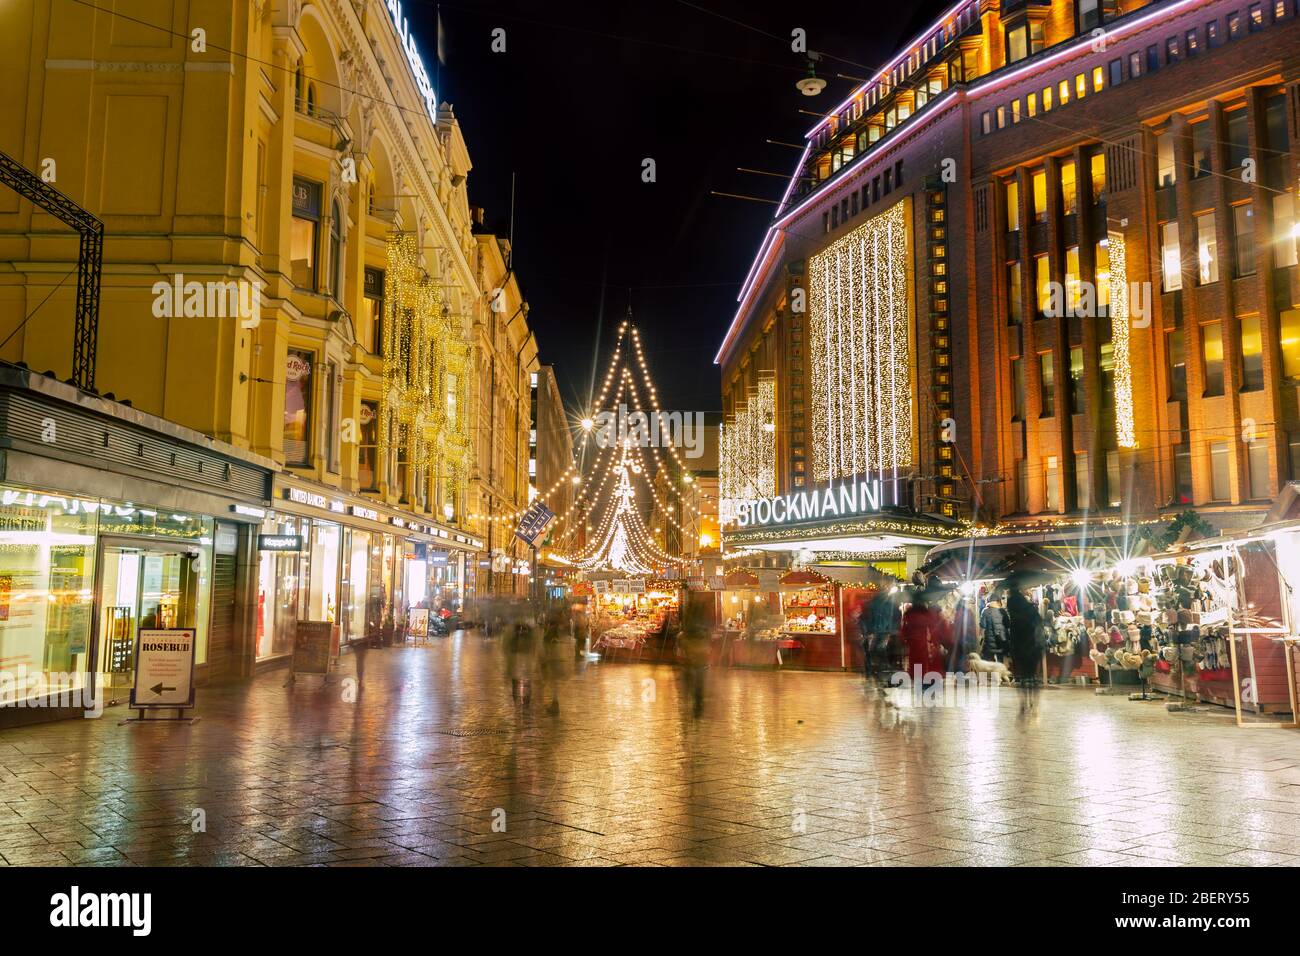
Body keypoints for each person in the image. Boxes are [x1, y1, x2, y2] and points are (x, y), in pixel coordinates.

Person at [900, 588, 949, 680]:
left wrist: (904, 640)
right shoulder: (927, 613)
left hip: (913, 645)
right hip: (925, 644)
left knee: (916, 667)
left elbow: (904, 629)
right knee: (925, 666)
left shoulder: (908, 614)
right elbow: (934, 628)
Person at [1005, 585, 1044, 689]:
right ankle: (1029, 682)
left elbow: (1014, 633)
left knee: (1023, 669)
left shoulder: (1014, 616)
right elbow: (1039, 621)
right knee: (1029, 669)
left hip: (1021, 645)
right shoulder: (1029, 608)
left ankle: (1025, 683)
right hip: (1030, 644)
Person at [677, 600, 711, 717]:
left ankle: (692, 699)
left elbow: (681, 644)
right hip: (698, 657)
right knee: (698, 680)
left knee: (691, 679)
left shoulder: (687, 631)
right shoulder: (701, 628)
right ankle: (697, 702)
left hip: (691, 656)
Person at [979, 597, 1010, 662]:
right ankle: (999, 670)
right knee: (1000, 661)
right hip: (1000, 641)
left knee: (989, 662)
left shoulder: (985, 611)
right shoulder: (1002, 611)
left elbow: (983, 625)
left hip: (989, 643)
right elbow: (1008, 624)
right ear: (998, 602)